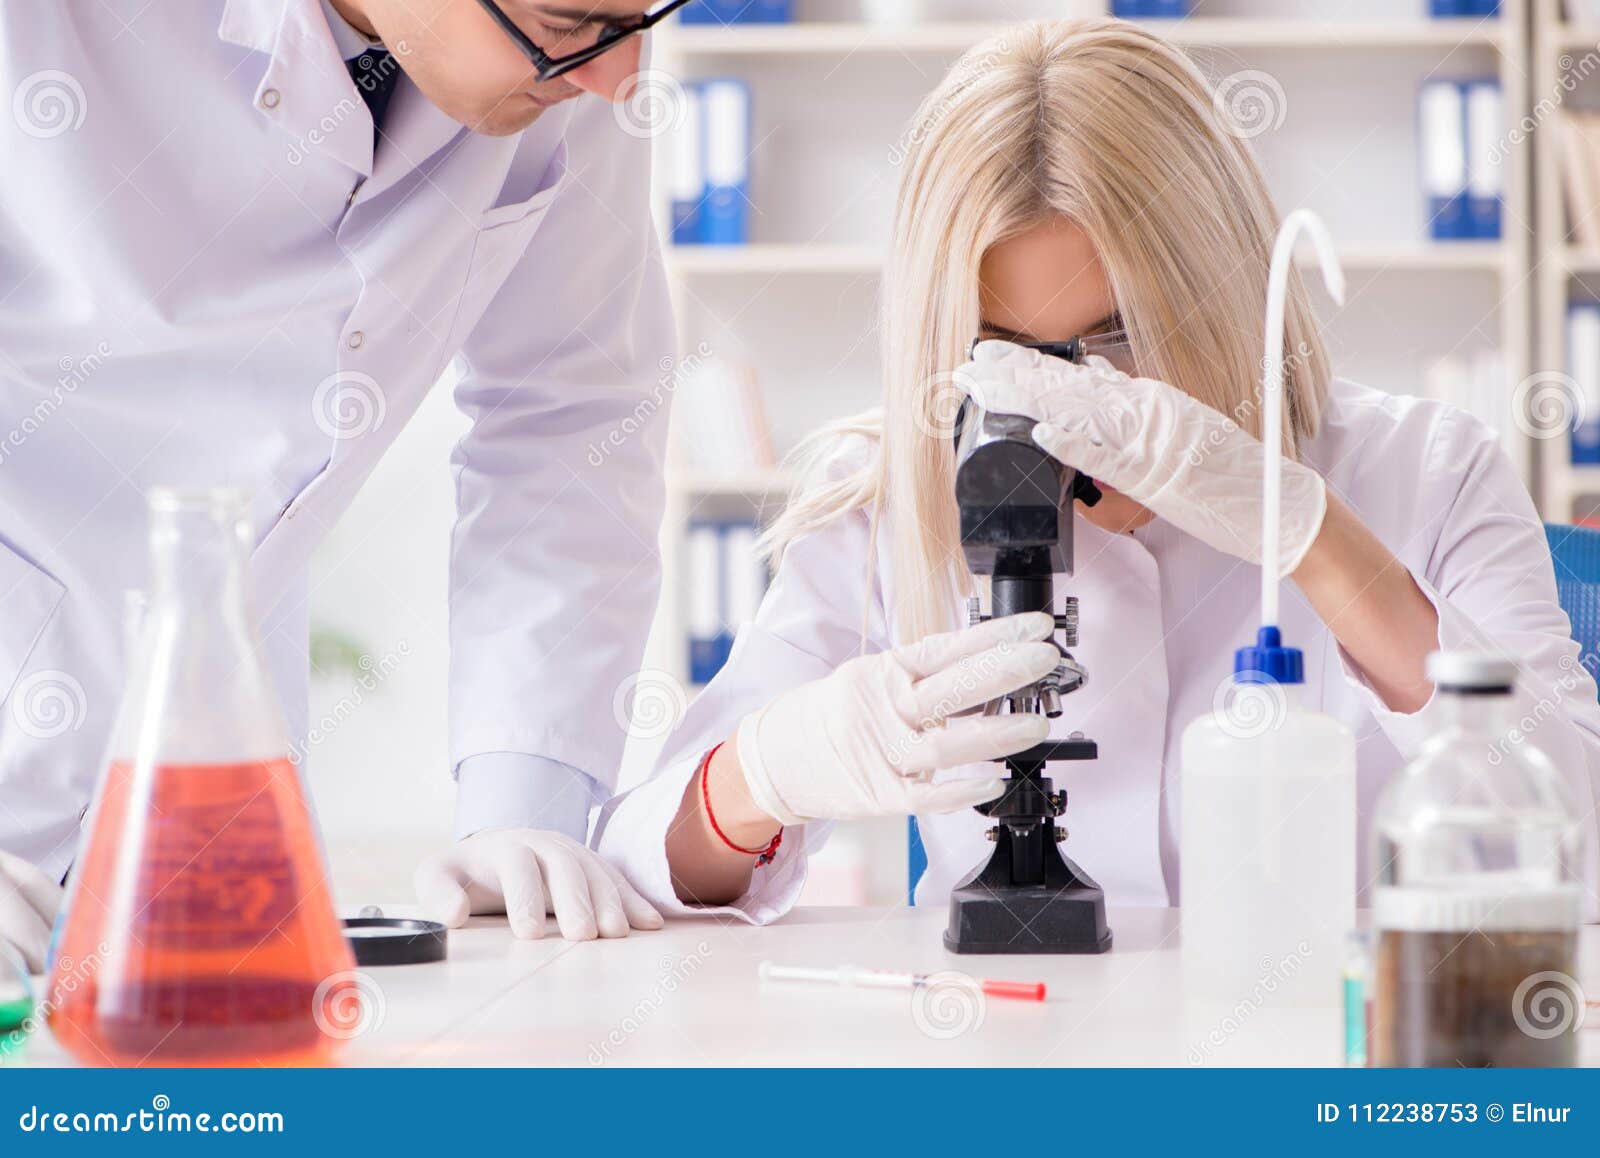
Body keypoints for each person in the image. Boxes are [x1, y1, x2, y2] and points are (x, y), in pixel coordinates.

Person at [596, 18, 1600, 922]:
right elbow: (642, 861)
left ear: (1230, 282)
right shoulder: (884, 503)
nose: (1069, 411)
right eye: (1005, 354)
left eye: (1121, 335)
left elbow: (1580, 846)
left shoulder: (1423, 468)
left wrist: (1315, 539)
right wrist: (762, 773)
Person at [0, 0, 691, 971]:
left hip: (210, 825)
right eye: (566, 18)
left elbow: (566, 420)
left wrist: (520, 817)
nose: (618, 83)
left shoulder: (572, 66)